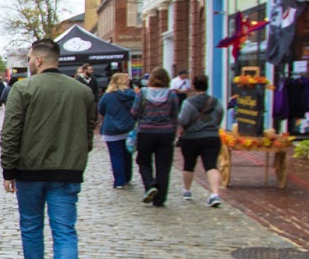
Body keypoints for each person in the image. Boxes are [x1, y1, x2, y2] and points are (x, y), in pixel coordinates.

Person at [2, 39, 95, 259]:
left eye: (29, 58)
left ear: (39, 60)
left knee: (32, 226)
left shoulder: (24, 88)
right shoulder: (82, 91)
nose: (28, 62)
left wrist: (9, 168)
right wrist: (78, 154)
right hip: (67, 171)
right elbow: (90, 129)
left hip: (31, 170)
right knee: (65, 232)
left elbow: (11, 130)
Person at [132, 67, 179, 207]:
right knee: (163, 166)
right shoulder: (172, 95)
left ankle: (150, 185)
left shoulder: (143, 93)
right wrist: (174, 133)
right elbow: (175, 116)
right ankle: (160, 199)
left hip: (146, 132)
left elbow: (134, 112)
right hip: (166, 133)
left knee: (143, 162)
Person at [177, 74, 224, 207]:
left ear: (193, 86)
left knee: (189, 164)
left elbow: (183, 120)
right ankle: (214, 194)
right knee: (211, 165)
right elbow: (220, 115)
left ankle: (187, 190)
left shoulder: (188, 103)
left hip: (191, 138)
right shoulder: (216, 102)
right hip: (212, 137)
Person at [96, 72, 137, 189]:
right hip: (128, 128)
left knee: (115, 155)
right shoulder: (132, 95)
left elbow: (101, 109)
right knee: (127, 153)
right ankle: (127, 177)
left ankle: (119, 181)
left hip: (111, 129)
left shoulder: (107, 96)